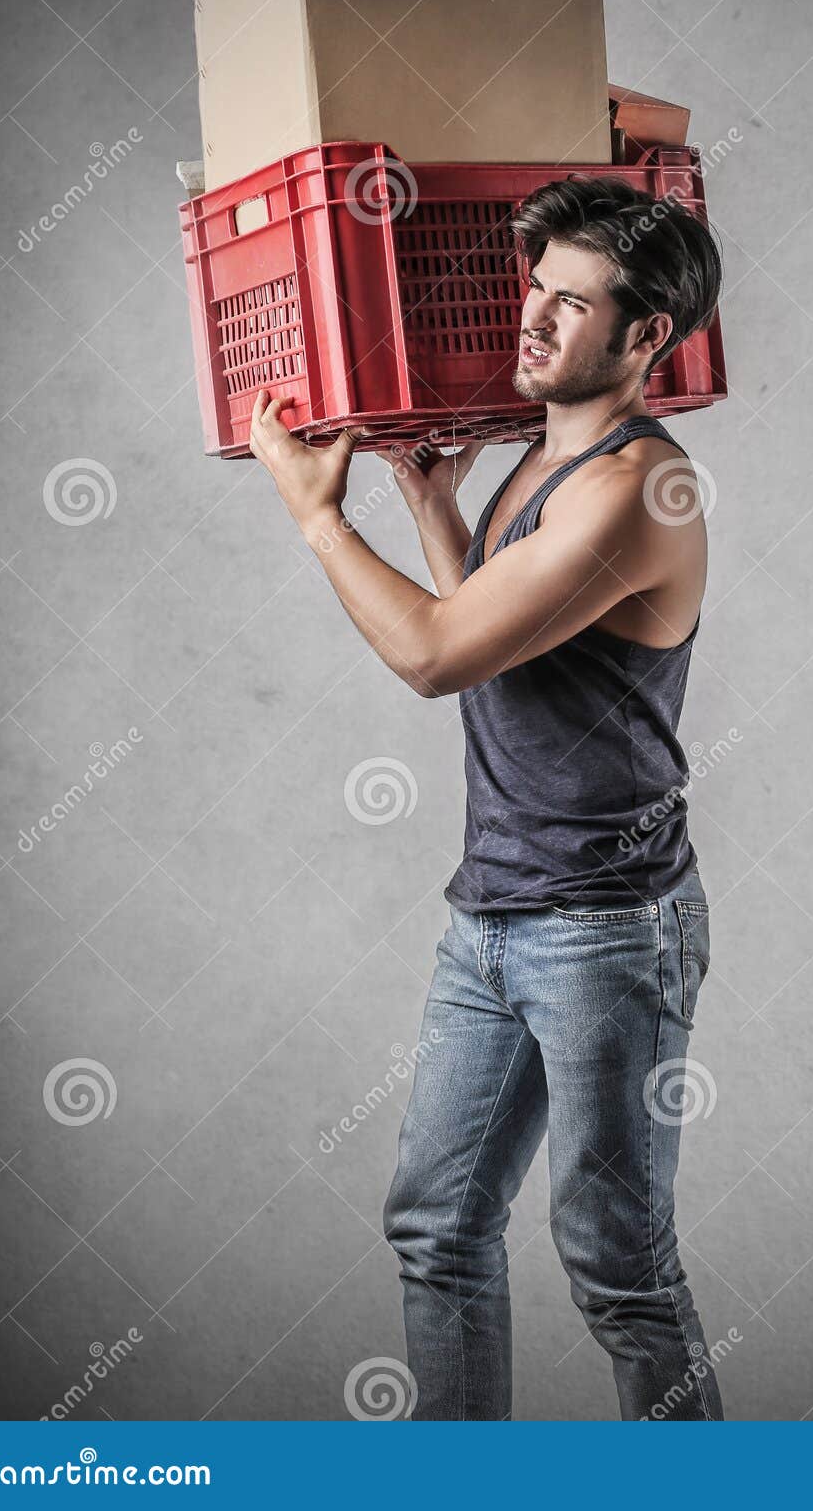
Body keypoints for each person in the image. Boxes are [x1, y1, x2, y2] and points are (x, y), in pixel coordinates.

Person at [250, 173, 725, 1421]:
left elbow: (434, 657)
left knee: (616, 1267)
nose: (531, 315)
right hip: (495, 910)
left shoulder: (636, 490)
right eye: (535, 287)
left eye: (571, 302)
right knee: (437, 1224)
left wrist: (319, 520)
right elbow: (500, 627)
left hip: (605, 926)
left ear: (644, 336)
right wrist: (432, 504)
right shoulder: (540, 458)